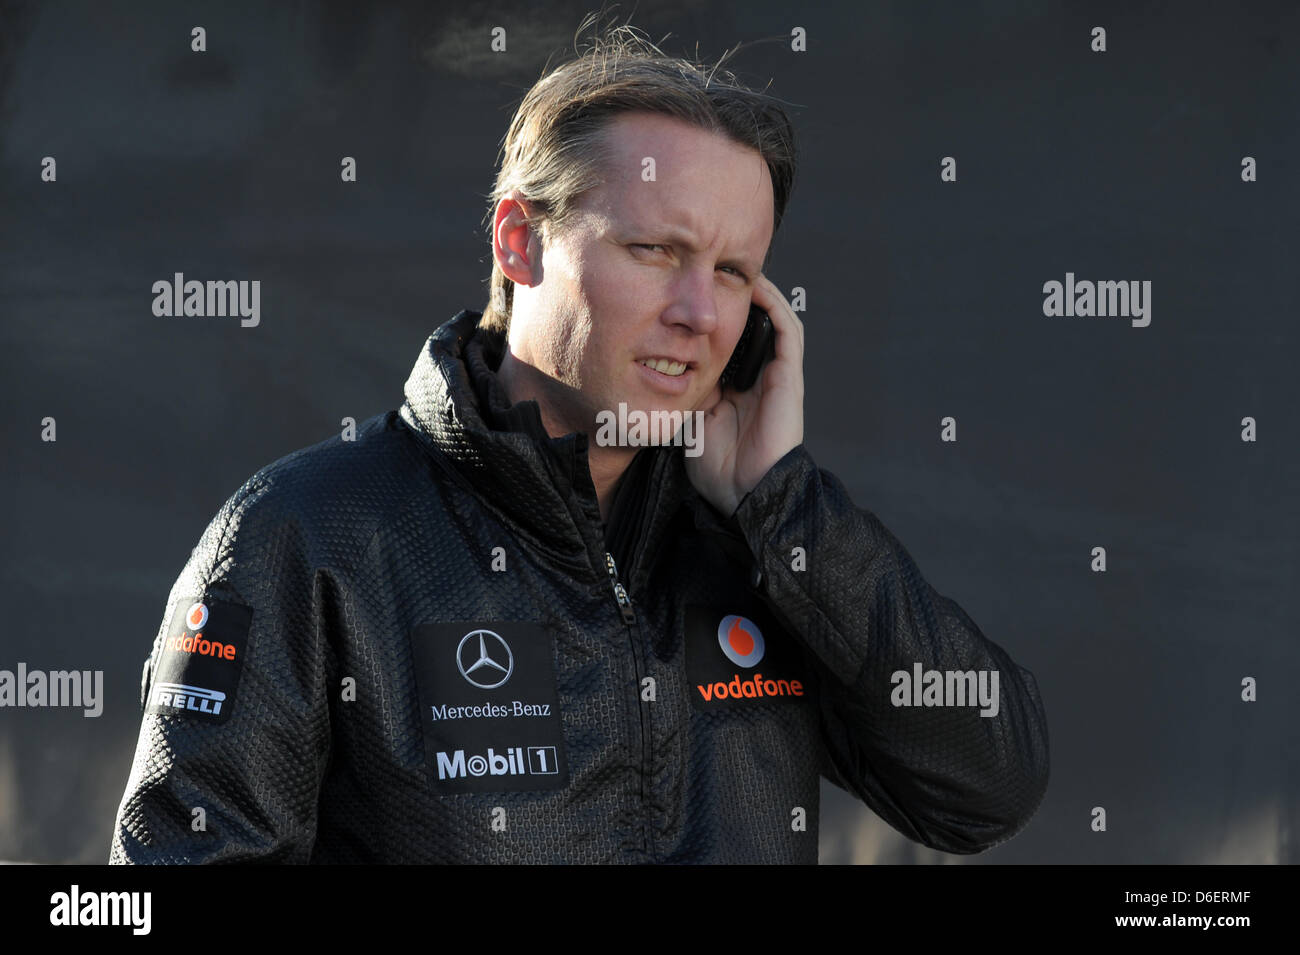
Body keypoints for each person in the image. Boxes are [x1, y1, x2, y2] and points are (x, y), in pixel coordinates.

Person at [110, 25, 1048, 864]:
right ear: (520, 243)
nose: (696, 312)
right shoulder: (304, 539)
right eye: (655, 251)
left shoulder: (769, 546)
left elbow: (987, 790)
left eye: (733, 272)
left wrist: (785, 503)